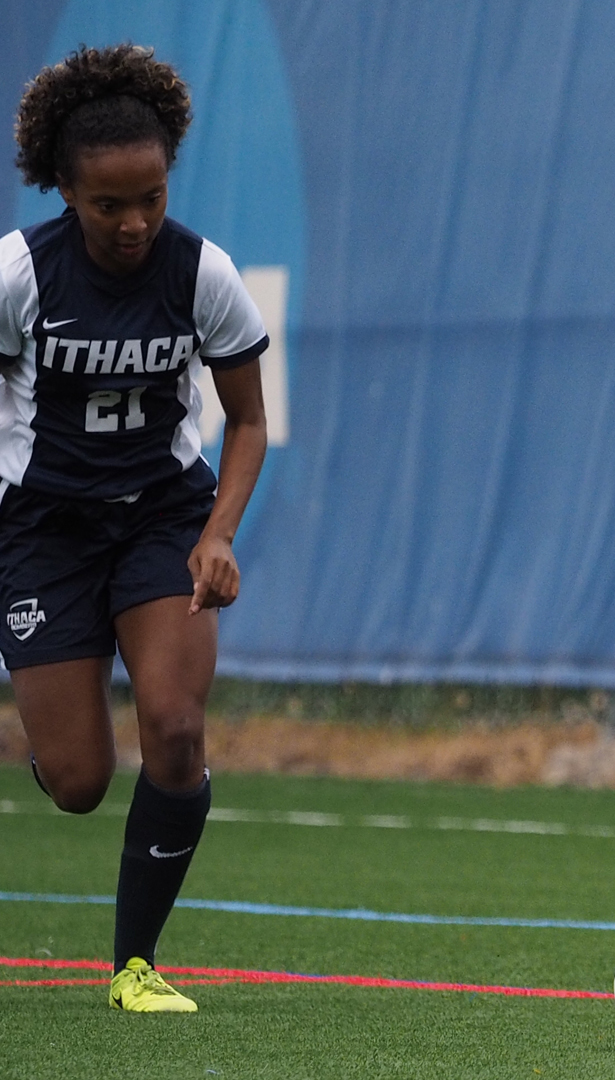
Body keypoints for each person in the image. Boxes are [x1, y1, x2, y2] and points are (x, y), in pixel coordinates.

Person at [1, 44, 270, 1013]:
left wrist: (219, 534)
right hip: (42, 530)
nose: (135, 222)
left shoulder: (203, 273)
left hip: (163, 518)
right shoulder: (20, 277)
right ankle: (52, 732)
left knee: (175, 724)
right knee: (76, 782)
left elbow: (245, 421)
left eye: (150, 197)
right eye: (109, 203)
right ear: (65, 190)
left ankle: (133, 967)